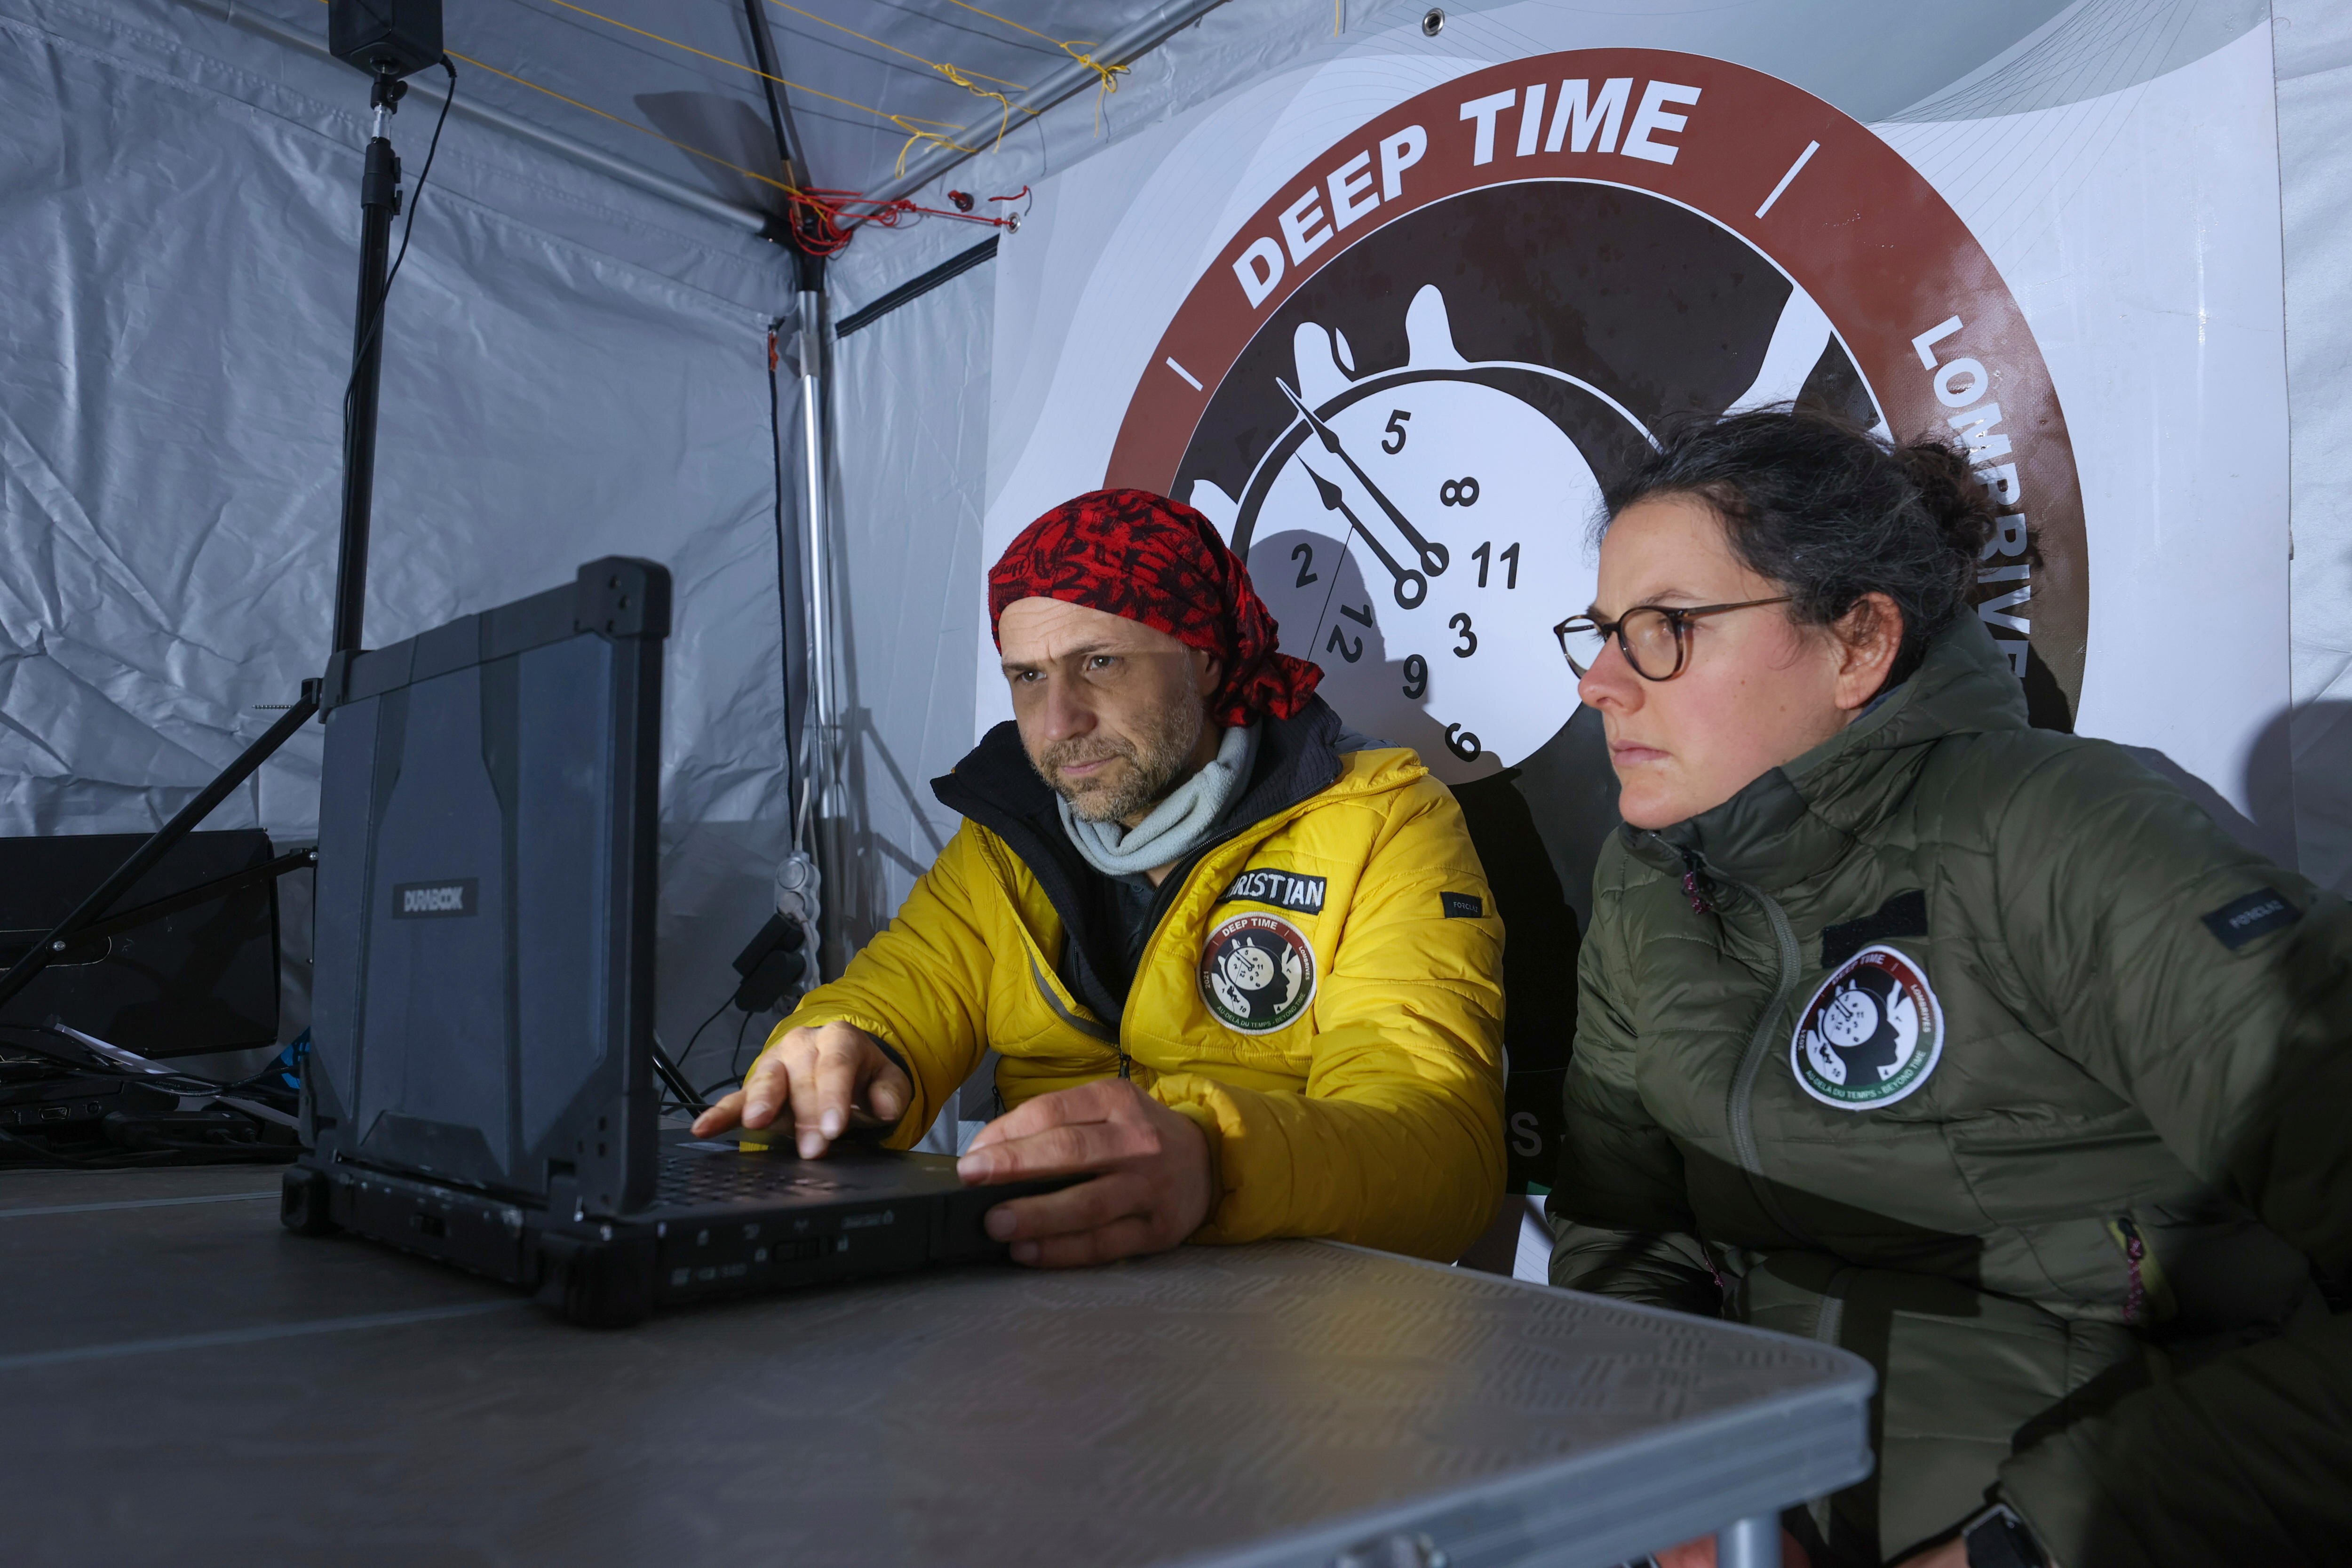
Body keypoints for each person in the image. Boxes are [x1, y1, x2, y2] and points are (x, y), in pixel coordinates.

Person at [1545, 409, 2352, 1568]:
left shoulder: (2058, 837)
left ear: (1858, 644)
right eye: (1604, 630)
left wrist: (2018, 1549)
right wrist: (1671, 1475)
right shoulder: (1648, 883)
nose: (1598, 683)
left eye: (1666, 628)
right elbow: (1622, 1228)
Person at [695, 488, 1506, 1267]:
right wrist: (843, 1056)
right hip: (1041, 1294)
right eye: (1029, 676)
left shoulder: (1381, 819)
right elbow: (904, 989)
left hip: (1289, 1320)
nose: (1057, 724)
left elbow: (1441, 1152)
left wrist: (1210, 1161)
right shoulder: (1005, 835)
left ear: (1206, 658)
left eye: (1102, 661)